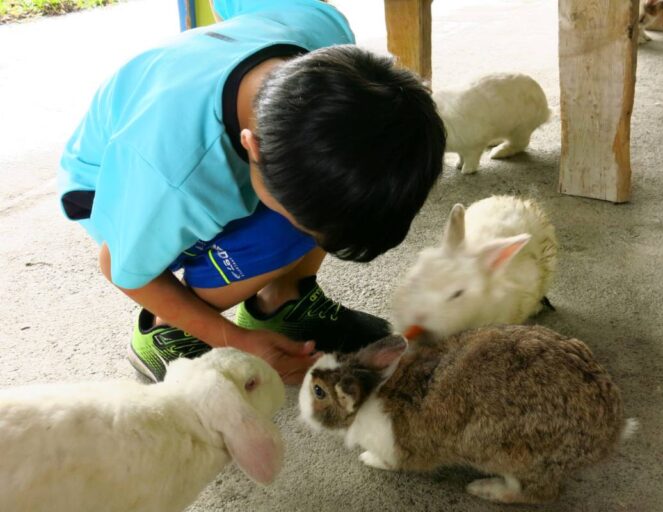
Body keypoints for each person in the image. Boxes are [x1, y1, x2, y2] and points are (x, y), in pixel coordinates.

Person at [58, 0, 445, 384]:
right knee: (291, 227)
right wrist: (234, 339)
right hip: (111, 189)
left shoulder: (321, 30)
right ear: (253, 147)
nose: (316, 246)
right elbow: (120, 267)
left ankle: (284, 301)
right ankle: (167, 333)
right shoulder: (172, 178)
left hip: (195, 143)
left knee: (341, 195)